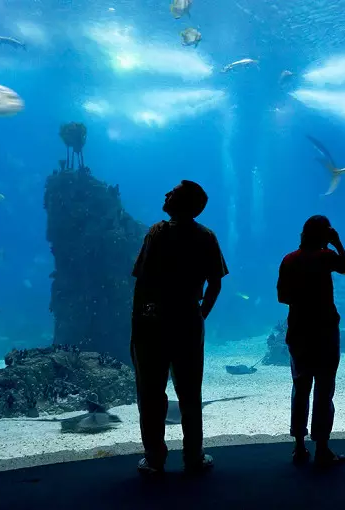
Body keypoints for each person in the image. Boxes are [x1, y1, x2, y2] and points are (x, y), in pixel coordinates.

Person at [130, 180, 228, 474]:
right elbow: (216, 283)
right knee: (189, 393)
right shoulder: (206, 236)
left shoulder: (156, 233)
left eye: (172, 192)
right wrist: (199, 315)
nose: (166, 193)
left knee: (150, 392)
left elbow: (143, 282)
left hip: (154, 323)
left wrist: (142, 320)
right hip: (187, 319)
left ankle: (155, 457)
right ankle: (193, 457)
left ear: (181, 202)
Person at [277, 215, 345, 466]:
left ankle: (299, 447)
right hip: (325, 331)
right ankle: (322, 448)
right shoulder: (326, 257)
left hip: (299, 330)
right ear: (325, 235)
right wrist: (337, 243)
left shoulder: (289, 260)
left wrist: (302, 299)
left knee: (300, 388)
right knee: (324, 389)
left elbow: (282, 297)